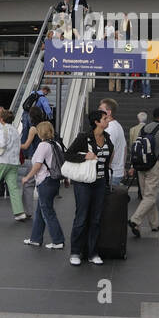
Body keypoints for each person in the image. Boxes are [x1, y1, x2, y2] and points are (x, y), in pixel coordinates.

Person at [65, 109, 114, 266]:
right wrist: (84, 156)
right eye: (105, 118)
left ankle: (93, 252)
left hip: (99, 182)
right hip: (83, 183)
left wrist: (106, 182)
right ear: (96, 122)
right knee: (81, 217)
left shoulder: (107, 138)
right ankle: (75, 251)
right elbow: (67, 155)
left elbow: (106, 163)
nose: (108, 120)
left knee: (96, 219)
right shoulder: (83, 137)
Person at [21, 121, 66, 249]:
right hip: (54, 181)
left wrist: (27, 177)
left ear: (40, 132)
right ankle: (35, 238)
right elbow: (60, 162)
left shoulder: (43, 146)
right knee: (41, 211)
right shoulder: (56, 144)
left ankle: (58, 240)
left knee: (47, 212)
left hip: (45, 182)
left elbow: (38, 165)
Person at [128, 106, 159, 237]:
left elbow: (137, 147)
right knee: (150, 197)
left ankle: (155, 224)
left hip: (141, 165)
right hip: (154, 165)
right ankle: (135, 220)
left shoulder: (144, 128)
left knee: (147, 196)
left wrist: (133, 165)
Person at [98, 97, 127, 186]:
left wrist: (106, 167)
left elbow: (110, 151)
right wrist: (123, 166)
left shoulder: (109, 128)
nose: (98, 111)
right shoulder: (118, 126)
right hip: (117, 172)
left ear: (108, 112)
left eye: (100, 109)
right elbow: (125, 148)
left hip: (110, 174)